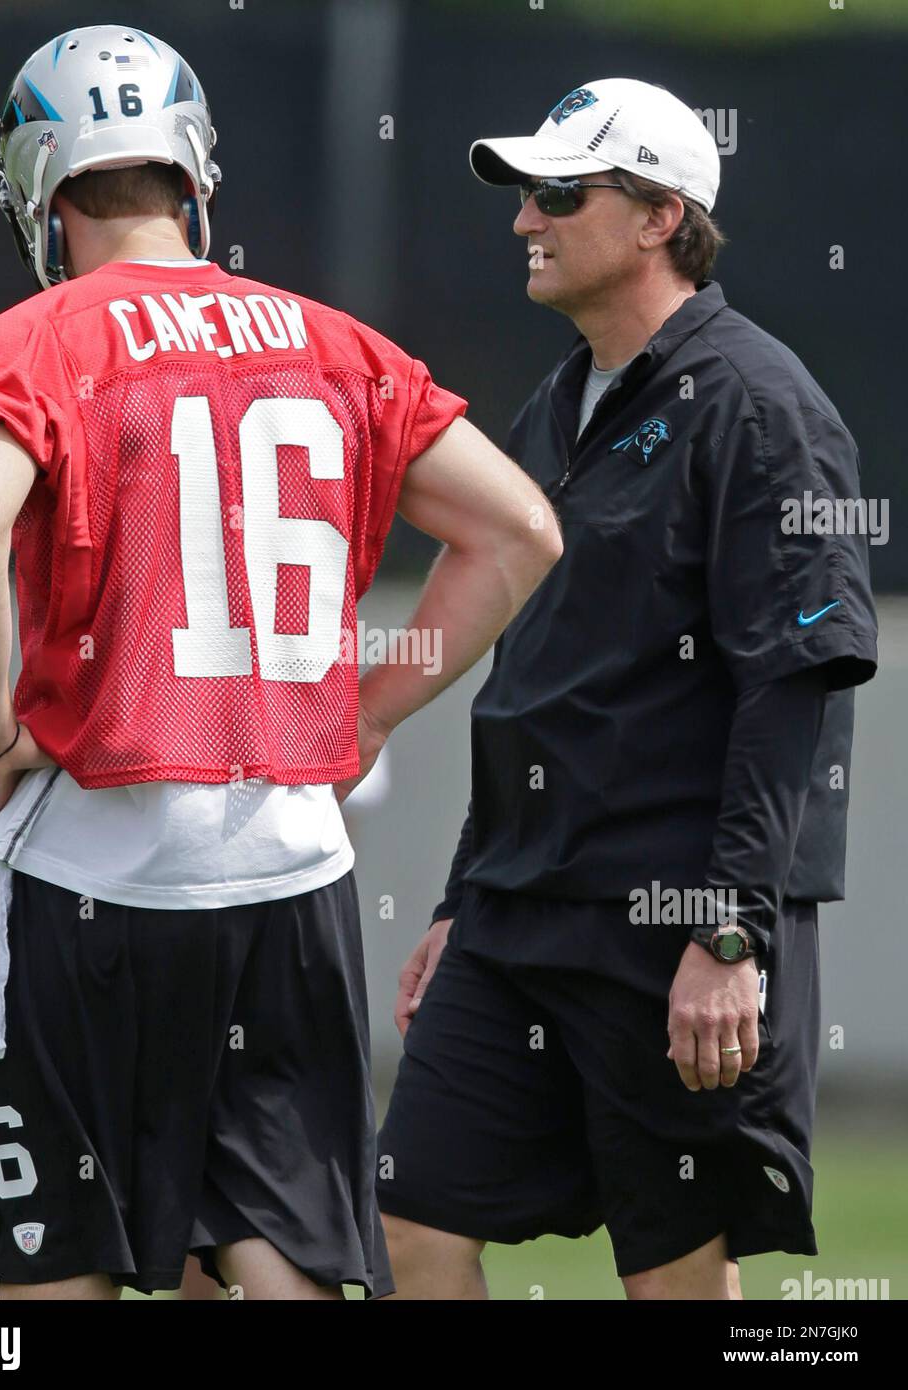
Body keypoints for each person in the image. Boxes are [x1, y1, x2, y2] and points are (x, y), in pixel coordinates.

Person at [0, 25, 562, 1302]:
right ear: (193, 170)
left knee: (59, 1274)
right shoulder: (331, 341)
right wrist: (368, 710)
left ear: (38, 183)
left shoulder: (33, 341)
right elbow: (522, 528)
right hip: (285, 867)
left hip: (93, 867)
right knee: (283, 1263)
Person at [376, 77, 878, 1300]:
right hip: (518, 912)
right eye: (524, 195)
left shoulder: (762, 408)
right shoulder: (558, 405)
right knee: (404, 1218)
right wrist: (464, 894)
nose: (522, 222)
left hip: (670, 928)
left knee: (670, 1275)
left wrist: (728, 933)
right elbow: (532, 683)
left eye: (559, 193)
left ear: (660, 217)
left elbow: (792, 687)